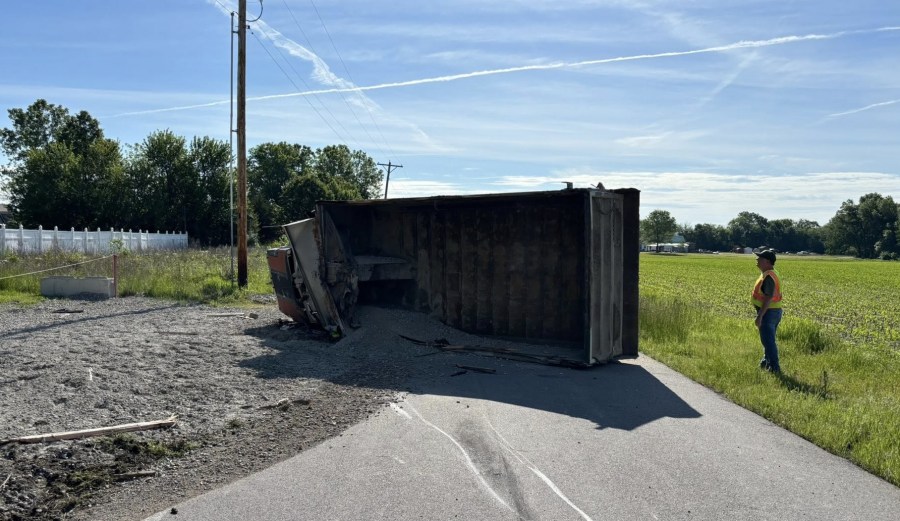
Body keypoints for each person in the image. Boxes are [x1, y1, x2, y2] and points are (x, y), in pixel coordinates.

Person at [752, 249, 783, 372]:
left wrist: (760, 316)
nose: (757, 260)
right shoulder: (769, 273)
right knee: (768, 340)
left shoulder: (769, 276)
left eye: (760, 258)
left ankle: (774, 368)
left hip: (768, 313)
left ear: (767, 262)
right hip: (774, 312)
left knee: (768, 342)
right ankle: (765, 363)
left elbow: (768, 297)